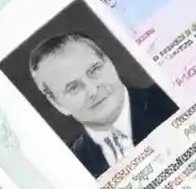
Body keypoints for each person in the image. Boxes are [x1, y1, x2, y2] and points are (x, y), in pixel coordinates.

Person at [28, 32, 178, 178]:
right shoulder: (71, 169)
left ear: (109, 62)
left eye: (94, 70)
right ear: (57, 104)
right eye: (73, 87)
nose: (93, 90)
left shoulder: (172, 97)